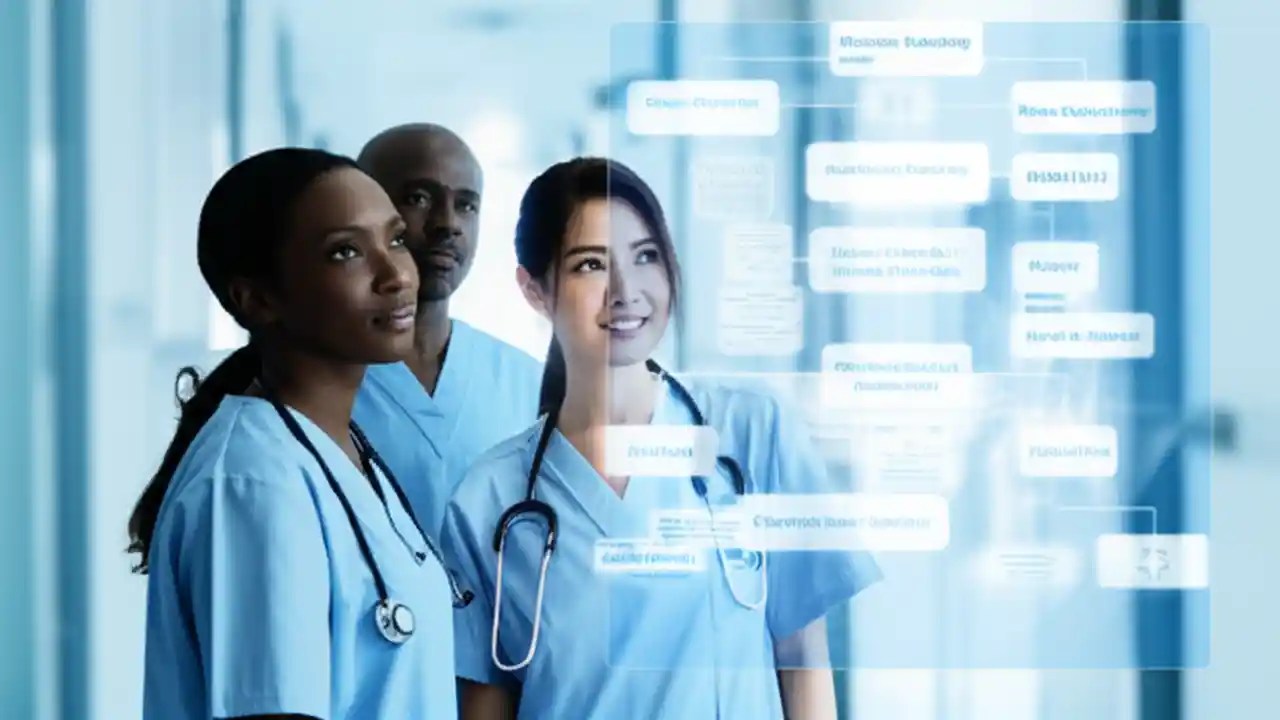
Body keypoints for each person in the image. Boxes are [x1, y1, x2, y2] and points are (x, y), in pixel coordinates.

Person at [440, 157, 882, 719]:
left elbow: (803, 659)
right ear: (534, 290)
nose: (626, 291)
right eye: (590, 265)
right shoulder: (490, 500)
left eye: (645, 256)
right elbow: (486, 707)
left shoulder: (752, 431)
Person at [129, 147, 460, 719]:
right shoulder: (255, 484)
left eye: (397, 240)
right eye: (347, 252)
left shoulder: (341, 451)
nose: (396, 274)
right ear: (257, 298)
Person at [352, 123, 542, 543]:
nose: (448, 224)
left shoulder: (527, 383)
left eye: (467, 205)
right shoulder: (323, 382)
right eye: (418, 199)